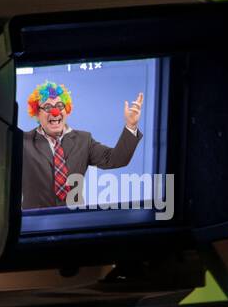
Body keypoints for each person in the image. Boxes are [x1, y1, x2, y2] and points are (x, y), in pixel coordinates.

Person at [21, 80, 142, 210]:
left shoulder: (84, 140)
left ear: (66, 110)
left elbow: (116, 159)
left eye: (60, 105)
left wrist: (131, 126)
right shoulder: (23, 142)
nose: (55, 112)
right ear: (37, 113)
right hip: (35, 223)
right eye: (47, 107)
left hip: (74, 220)